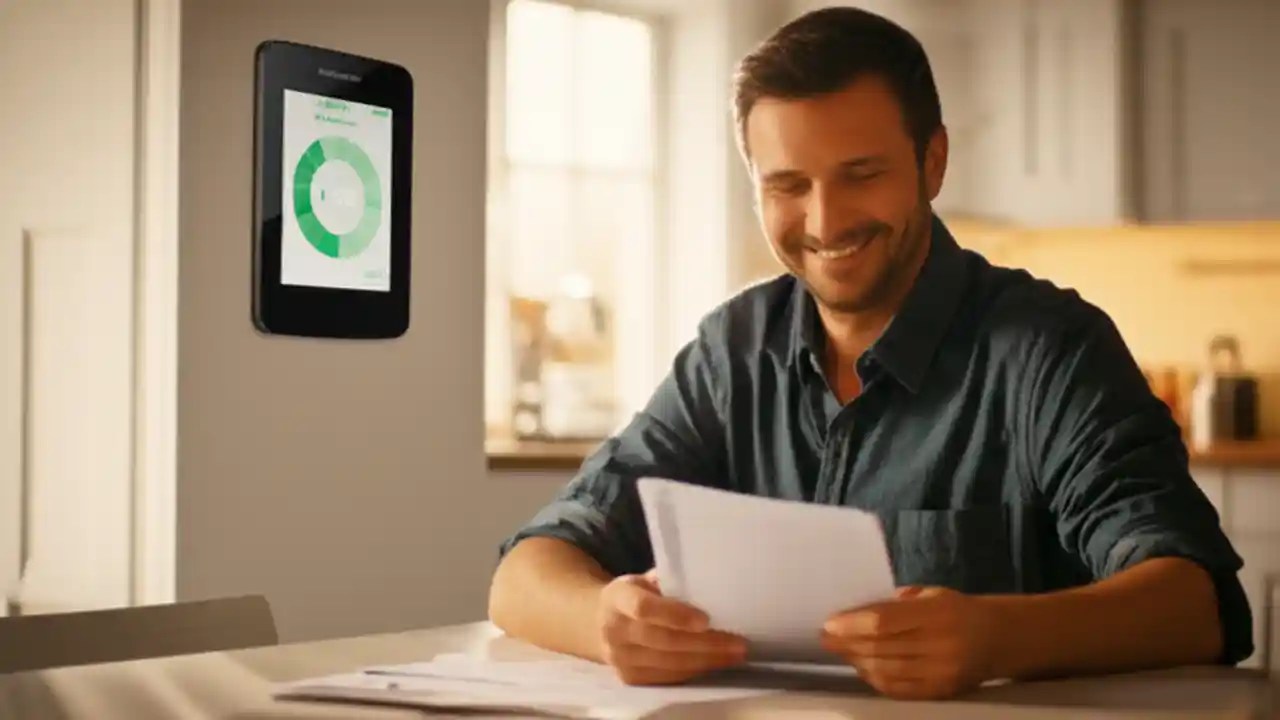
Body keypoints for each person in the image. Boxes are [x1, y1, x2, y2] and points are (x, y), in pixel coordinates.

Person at [487, 6, 1252, 701]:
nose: (825, 221)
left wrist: (995, 637)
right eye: (788, 184)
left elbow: (1200, 606)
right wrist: (605, 623)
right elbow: (524, 576)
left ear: (933, 163)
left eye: (861, 174)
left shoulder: (1050, 350)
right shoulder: (731, 353)